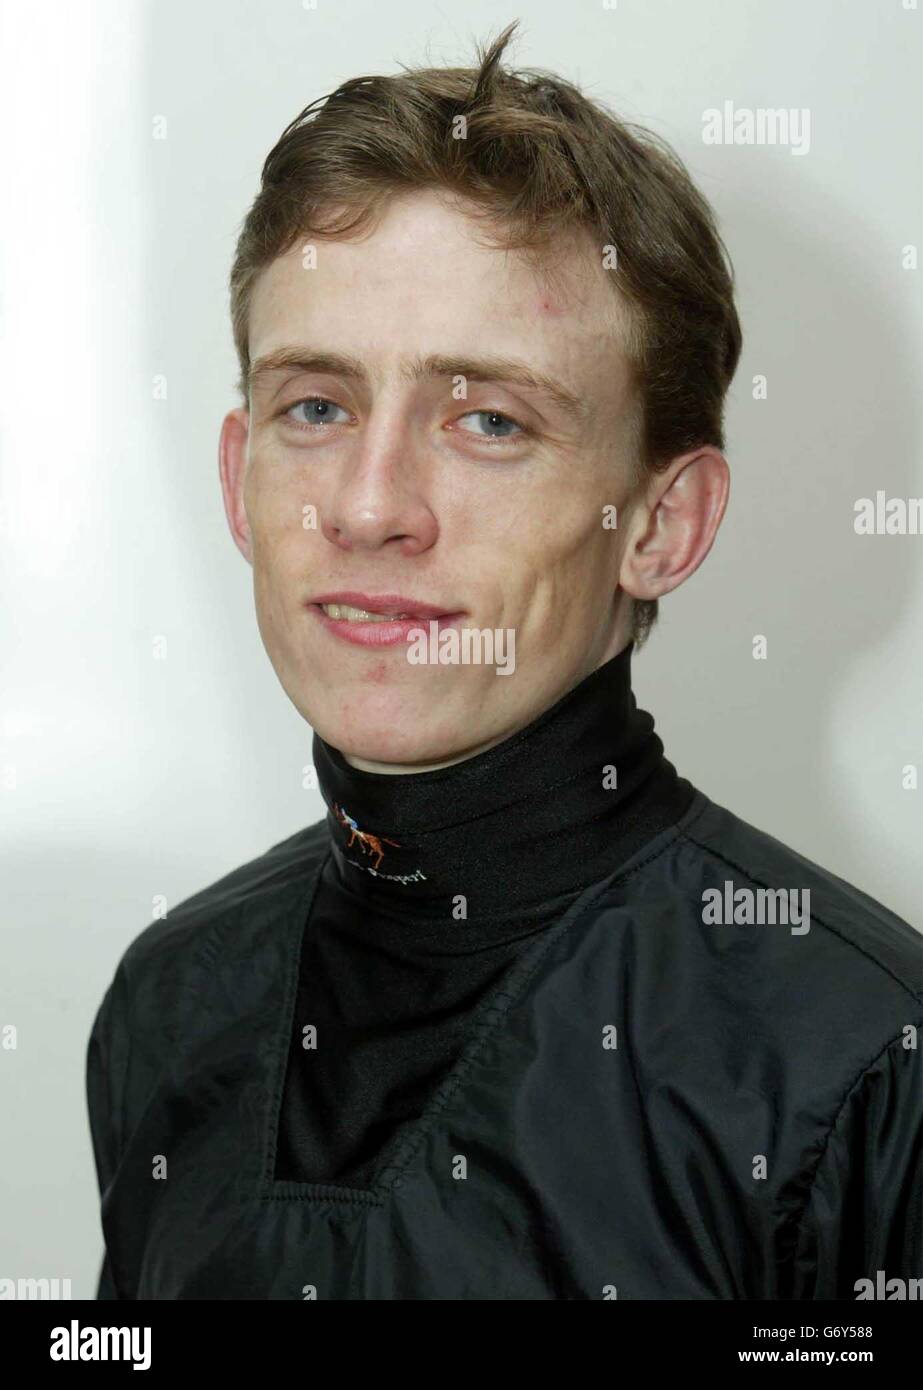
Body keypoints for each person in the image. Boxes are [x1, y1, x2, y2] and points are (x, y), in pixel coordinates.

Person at [86, 22, 922, 1300]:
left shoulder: (859, 1058)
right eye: (316, 407)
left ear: (660, 522)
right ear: (235, 479)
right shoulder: (172, 1001)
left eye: (487, 420)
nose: (369, 508)